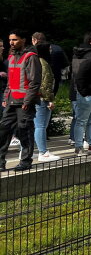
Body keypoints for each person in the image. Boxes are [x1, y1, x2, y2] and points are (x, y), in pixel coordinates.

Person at [0, 30, 42, 171]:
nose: (11, 42)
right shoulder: (11, 57)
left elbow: (35, 82)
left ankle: (25, 161)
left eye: (15, 40)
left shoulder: (31, 57)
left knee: (25, 131)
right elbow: (10, 81)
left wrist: (27, 101)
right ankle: (0, 162)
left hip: (24, 102)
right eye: (10, 40)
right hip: (11, 101)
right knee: (3, 130)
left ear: (23, 40)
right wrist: (6, 97)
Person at [32, 42, 60, 161]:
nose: (51, 51)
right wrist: (49, 100)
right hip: (42, 99)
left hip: (34, 97)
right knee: (41, 126)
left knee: (33, 126)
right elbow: (45, 84)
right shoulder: (43, 63)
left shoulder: (34, 62)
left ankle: (27, 151)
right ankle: (43, 152)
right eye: (49, 49)